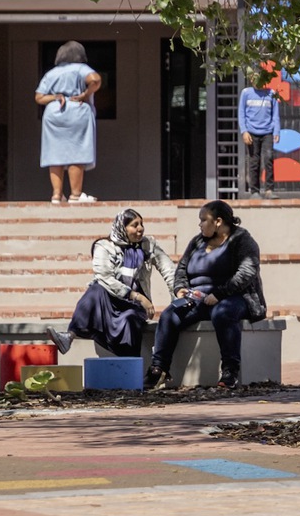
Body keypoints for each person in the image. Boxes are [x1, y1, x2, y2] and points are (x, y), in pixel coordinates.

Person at [146, 200, 268, 389]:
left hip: (235, 297)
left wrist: (219, 294)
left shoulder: (242, 240)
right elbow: (182, 269)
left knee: (222, 313)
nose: (200, 224)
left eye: (204, 220)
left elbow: (247, 272)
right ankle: (159, 369)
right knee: (170, 315)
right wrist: (180, 288)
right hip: (198, 299)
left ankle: (230, 370)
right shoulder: (197, 241)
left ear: (218, 221)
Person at [51, 209, 177, 359]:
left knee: (129, 319)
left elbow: (168, 269)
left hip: (133, 306)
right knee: (96, 289)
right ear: (122, 228)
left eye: (141, 224)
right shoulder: (104, 246)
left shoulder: (147, 245)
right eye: (134, 225)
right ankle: (69, 337)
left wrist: (176, 296)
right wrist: (137, 296)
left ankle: (130, 365)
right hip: (110, 300)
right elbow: (105, 277)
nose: (140, 228)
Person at [35, 40, 102, 204]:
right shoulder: (81, 68)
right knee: (76, 152)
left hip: (53, 113)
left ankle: (56, 195)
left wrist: (56, 97)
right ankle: (75, 195)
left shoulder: (52, 73)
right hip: (77, 110)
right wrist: (86, 94)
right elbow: (96, 79)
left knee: (54, 154)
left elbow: (39, 97)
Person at [237, 69, 281, 197]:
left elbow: (275, 115)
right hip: (251, 132)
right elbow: (241, 113)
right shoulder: (246, 93)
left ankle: (269, 189)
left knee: (268, 158)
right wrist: (244, 131)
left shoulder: (271, 93)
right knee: (254, 161)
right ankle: (254, 191)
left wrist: (276, 131)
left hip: (267, 132)